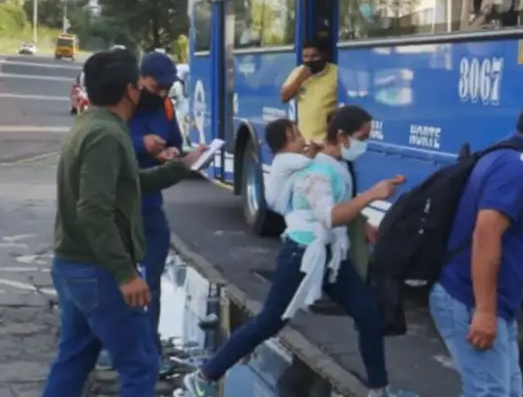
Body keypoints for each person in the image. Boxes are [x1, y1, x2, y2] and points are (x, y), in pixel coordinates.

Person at [183, 108, 409, 397]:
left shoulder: (332, 164)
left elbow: (339, 204)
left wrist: (361, 225)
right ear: (341, 136)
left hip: (328, 256)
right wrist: (372, 195)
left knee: (368, 314)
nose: (365, 143)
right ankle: (205, 375)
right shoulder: (317, 172)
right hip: (303, 256)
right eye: (361, 137)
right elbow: (328, 215)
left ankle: (378, 389)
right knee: (269, 322)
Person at [43, 49, 207, 397]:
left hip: (74, 266)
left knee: (74, 359)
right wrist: (125, 273)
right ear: (131, 90)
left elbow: (129, 184)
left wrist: (180, 166)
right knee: (140, 363)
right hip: (96, 270)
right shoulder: (106, 136)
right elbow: (94, 210)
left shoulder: (92, 124)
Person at [429, 92, 523, 397]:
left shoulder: (506, 155)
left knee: (506, 391)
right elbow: (486, 236)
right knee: (489, 391)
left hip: (485, 302)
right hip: (470, 301)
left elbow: (511, 234)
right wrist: (485, 311)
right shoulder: (516, 169)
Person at [95, 52, 186, 375]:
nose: (162, 91)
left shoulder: (164, 106)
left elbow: (176, 140)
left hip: (151, 208)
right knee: (116, 281)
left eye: (167, 86)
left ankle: (149, 349)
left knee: (151, 284)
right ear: (140, 81)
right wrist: (141, 142)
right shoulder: (122, 106)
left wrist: (170, 151)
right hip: (121, 210)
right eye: (156, 85)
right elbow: (109, 138)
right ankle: (112, 347)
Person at [280, 38, 338, 145]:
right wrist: (299, 79)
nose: (309, 61)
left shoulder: (336, 73)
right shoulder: (299, 72)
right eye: (305, 57)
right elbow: (284, 97)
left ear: (324, 55)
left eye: (314, 56)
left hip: (325, 142)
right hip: (305, 142)